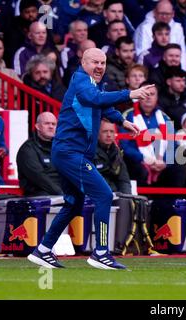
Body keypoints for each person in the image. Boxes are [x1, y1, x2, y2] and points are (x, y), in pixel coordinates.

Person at [27, 48, 154, 270]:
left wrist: (122, 122)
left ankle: (43, 250)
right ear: (83, 62)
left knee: (74, 203)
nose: (100, 66)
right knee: (104, 195)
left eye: (103, 63)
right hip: (70, 153)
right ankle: (101, 253)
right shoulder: (80, 80)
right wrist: (130, 94)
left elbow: (102, 105)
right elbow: (93, 99)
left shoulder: (93, 84)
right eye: (95, 62)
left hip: (71, 153)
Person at [16, 112, 62, 196]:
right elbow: (39, 178)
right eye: (46, 123)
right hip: (39, 196)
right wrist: (61, 194)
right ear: (37, 126)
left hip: (61, 193)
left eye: (54, 124)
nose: (51, 127)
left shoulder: (60, 147)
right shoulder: (27, 149)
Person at [94, 119, 132, 194]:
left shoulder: (117, 153)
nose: (109, 135)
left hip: (114, 195)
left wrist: (128, 199)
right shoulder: (89, 152)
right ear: (97, 134)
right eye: (105, 131)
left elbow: (124, 180)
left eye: (111, 131)